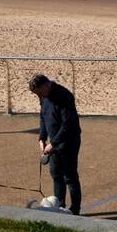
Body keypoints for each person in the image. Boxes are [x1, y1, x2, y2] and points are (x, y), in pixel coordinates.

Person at [29, 73, 82, 215]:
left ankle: (75, 210)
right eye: (37, 94)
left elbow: (68, 125)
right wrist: (42, 137)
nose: (39, 96)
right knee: (56, 175)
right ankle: (59, 207)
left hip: (69, 141)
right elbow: (43, 117)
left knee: (70, 177)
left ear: (46, 85)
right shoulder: (43, 96)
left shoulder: (64, 96)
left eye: (40, 93)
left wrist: (53, 144)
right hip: (53, 142)